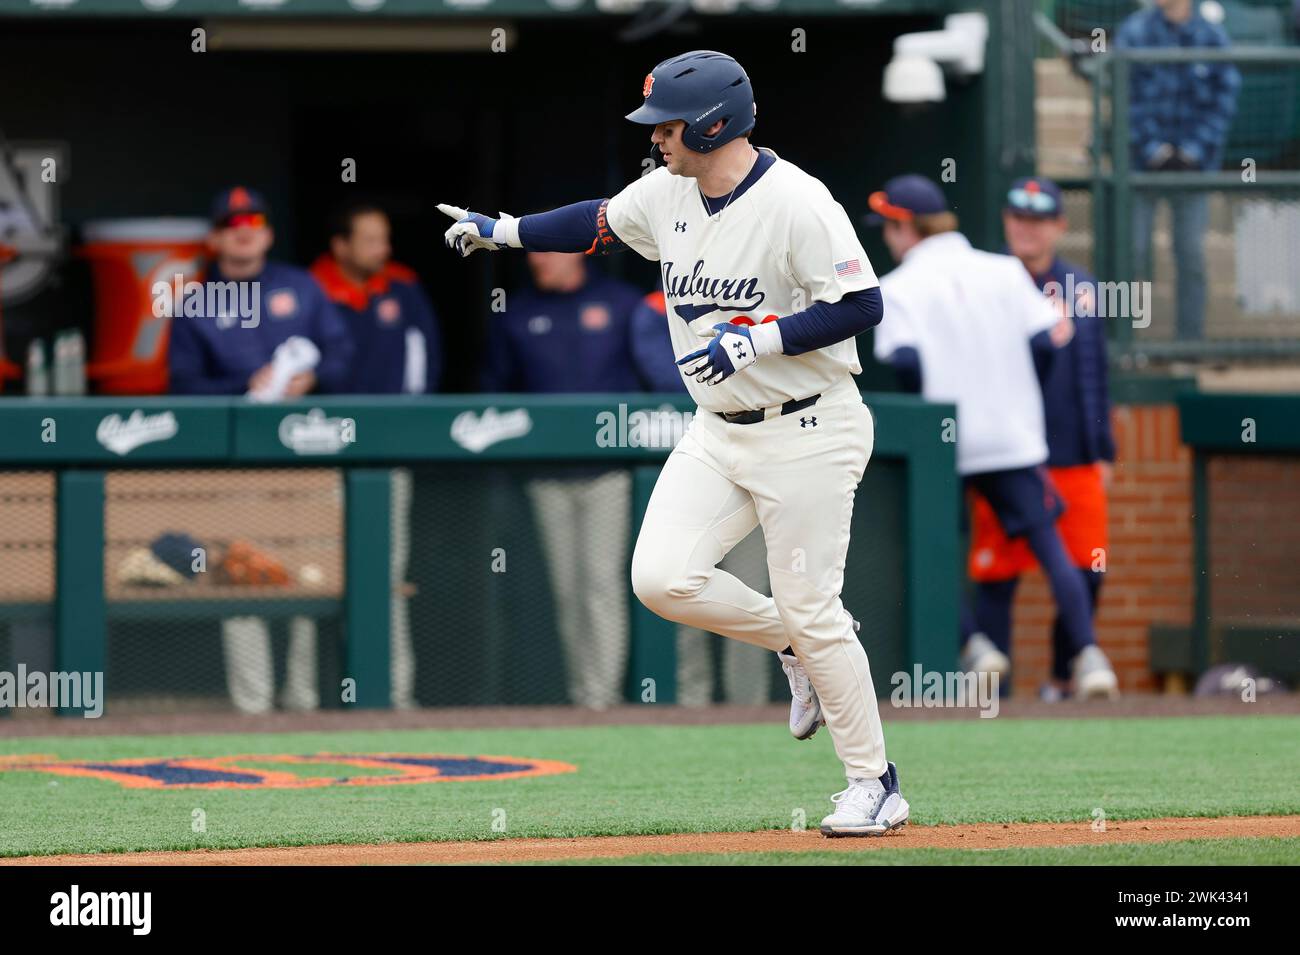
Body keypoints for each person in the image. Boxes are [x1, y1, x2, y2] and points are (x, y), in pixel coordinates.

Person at [441, 50, 908, 837]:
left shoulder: (798, 200)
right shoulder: (669, 191)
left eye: (666, 125)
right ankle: (802, 642)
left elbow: (863, 304)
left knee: (812, 603)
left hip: (810, 426)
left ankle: (875, 782)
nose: (655, 138)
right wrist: (507, 231)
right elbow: (598, 220)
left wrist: (759, 339)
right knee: (662, 579)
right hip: (718, 429)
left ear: (712, 123)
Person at [869, 174, 1119, 700]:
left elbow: (907, 365)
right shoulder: (1004, 271)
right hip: (1013, 436)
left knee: (927, 547)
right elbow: (1047, 346)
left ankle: (976, 646)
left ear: (904, 228)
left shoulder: (895, 288)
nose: (887, 237)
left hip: (945, 442)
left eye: (890, 227)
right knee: (1051, 548)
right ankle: (1091, 657)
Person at [169, 186, 354, 714]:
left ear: (269, 232)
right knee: (244, 577)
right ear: (215, 236)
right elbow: (180, 386)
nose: (244, 229)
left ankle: (302, 700)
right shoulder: (195, 300)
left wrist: (310, 378)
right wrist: (242, 387)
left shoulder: (302, 287)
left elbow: (343, 355)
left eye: (254, 220)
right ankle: (252, 706)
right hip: (238, 463)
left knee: (306, 577)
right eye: (232, 223)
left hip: (306, 455)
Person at [968, 177, 1117, 701]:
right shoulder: (987, 281)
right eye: (1018, 217)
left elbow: (1093, 376)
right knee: (997, 575)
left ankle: (1061, 679)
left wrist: (1104, 451)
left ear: (1059, 225)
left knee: (1088, 568)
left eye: (1039, 219)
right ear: (1008, 221)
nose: (1027, 228)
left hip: (1071, 454)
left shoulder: (1080, 288)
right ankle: (996, 700)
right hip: (1007, 454)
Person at [481, 250, 643, 709]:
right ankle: (582, 695)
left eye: (549, 251)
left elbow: (653, 376)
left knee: (600, 584)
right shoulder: (518, 311)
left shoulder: (622, 303)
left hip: (609, 471)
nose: (539, 262)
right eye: (533, 253)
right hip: (545, 473)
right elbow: (495, 386)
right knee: (566, 590)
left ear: (577, 251)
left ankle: (602, 697)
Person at [310, 200, 442, 709]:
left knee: (386, 578)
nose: (382, 250)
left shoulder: (402, 287)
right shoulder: (312, 288)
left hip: (386, 455)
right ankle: (307, 701)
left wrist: (405, 430)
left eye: (384, 239)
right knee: (315, 579)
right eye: (370, 240)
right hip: (319, 458)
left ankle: (393, 697)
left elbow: (426, 364)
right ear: (340, 246)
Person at [631, 290, 771, 707]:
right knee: (680, 585)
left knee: (750, 587)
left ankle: (750, 706)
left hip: (759, 448)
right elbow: (664, 372)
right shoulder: (656, 305)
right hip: (694, 452)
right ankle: (692, 708)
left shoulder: (760, 290)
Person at [1116, 0, 1240, 342]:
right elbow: (1124, 98)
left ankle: (1189, 345)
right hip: (1141, 165)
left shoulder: (1212, 36)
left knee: (1191, 254)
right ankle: (1123, 345)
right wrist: (1154, 148)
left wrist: (1191, 151)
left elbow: (1224, 100)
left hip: (1193, 168)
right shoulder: (1134, 31)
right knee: (1131, 252)